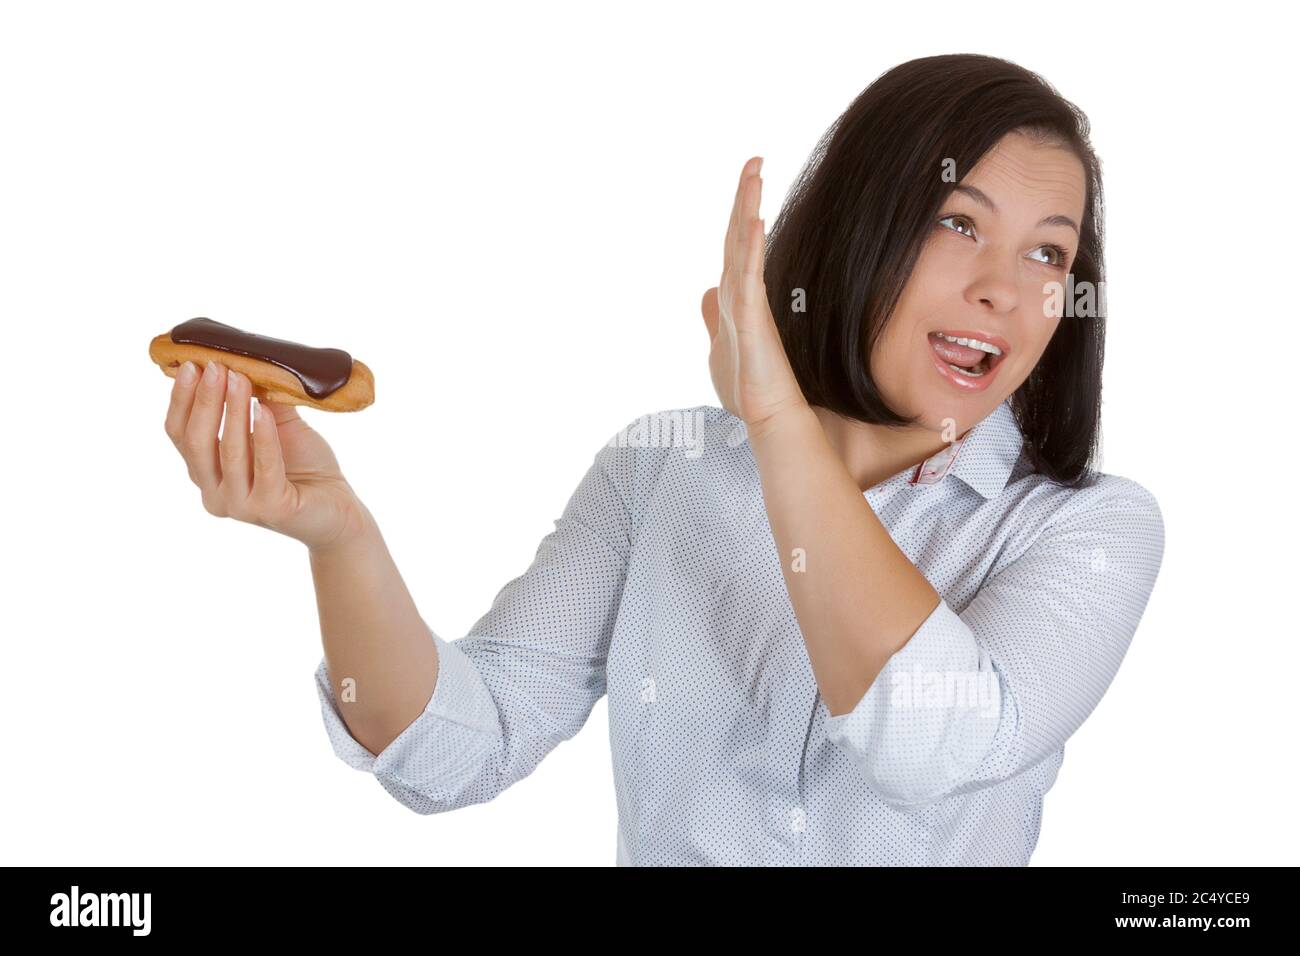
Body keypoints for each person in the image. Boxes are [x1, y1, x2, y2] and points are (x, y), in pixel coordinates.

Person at [162, 53, 1164, 865]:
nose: (1004, 287)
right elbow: (460, 745)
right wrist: (338, 536)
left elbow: (931, 740)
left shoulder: (1089, 532)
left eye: (1047, 254)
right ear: (862, 227)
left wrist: (776, 423)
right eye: (958, 223)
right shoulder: (661, 470)